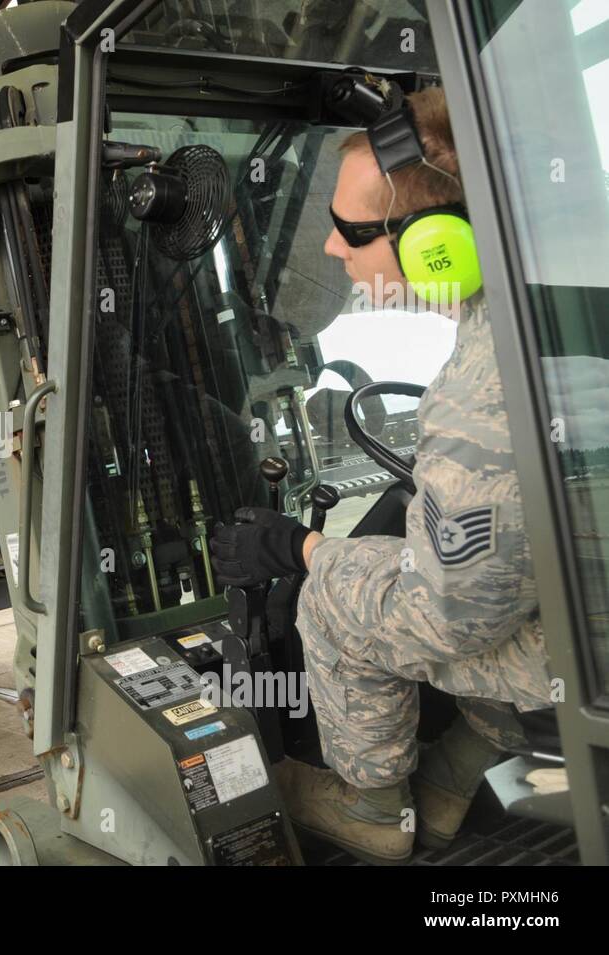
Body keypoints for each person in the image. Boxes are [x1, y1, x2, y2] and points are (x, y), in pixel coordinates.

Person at [210, 87, 549, 864]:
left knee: (343, 588)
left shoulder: (483, 395)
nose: (331, 250)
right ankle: (454, 777)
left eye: (350, 231)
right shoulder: (526, 313)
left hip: (575, 663)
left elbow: (447, 623)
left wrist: (299, 550)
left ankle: (369, 806)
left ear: (437, 242)